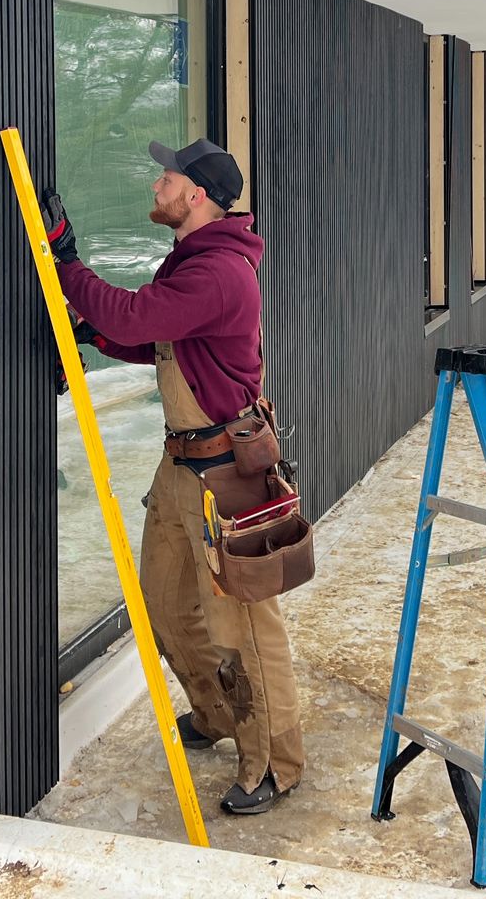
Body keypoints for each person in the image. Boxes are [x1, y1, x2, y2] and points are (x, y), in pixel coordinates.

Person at [42, 138, 305, 815]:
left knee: (243, 628)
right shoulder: (193, 261)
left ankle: (273, 764)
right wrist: (93, 336)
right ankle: (216, 714)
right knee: (162, 602)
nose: (156, 185)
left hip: (226, 475)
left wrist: (66, 262)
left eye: (167, 178)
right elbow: (160, 341)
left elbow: (138, 315)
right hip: (181, 464)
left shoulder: (218, 271)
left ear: (197, 195)